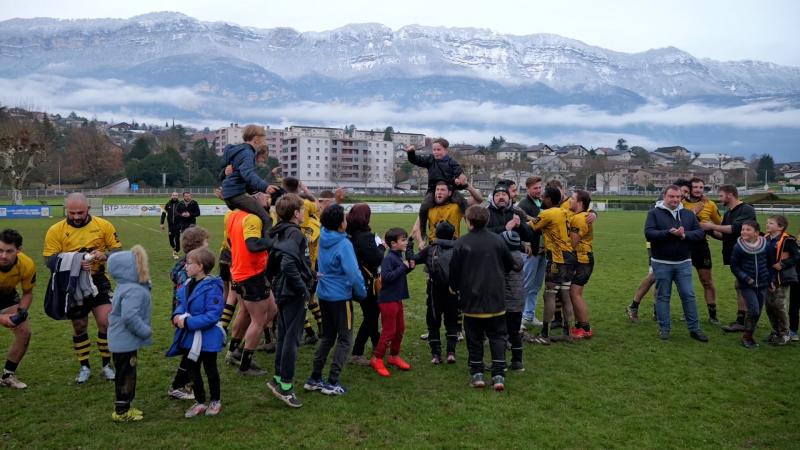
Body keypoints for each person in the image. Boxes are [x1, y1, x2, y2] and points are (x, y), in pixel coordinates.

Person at [43, 192, 122, 383]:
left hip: (98, 279)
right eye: (72, 213)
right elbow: (49, 260)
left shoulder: (103, 226)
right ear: (66, 211)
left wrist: (104, 256)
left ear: (88, 209)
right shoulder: (55, 230)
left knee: (106, 321)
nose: (76, 216)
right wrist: (75, 261)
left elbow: (118, 251)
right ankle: (84, 366)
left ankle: (106, 365)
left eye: (80, 212)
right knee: (79, 326)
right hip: (72, 283)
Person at [449, 205, 521, 391]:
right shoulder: (498, 241)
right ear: (487, 220)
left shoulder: (461, 242)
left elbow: (454, 271)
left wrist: (453, 287)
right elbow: (511, 264)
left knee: (474, 339)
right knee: (498, 337)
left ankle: (477, 374)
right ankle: (498, 376)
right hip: (495, 299)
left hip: (471, 300)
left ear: (467, 221)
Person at [304, 204, 366, 396]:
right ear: (341, 224)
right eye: (344, 219)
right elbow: (353, 273)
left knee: (328, 337)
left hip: (324, 294)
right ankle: (332, 381)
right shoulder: (343, 244)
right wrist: (362, 292)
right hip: (340, 297)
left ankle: (314, 378)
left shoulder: (323, 235)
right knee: (345, 339)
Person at [267, 194, 315, 408]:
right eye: (302, 210)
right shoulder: (295, 234)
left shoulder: (280, 230)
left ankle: (277, 378)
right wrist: (303, 288)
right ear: (296, 213)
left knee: (285, 335)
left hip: (282, 289)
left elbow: (281, 263)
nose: (304, 212)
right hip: (291, 292)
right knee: (292, 339)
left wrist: (309, 274)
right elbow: (287, 264)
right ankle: (285, 385)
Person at [645, 185, 709, 342]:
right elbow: (649, 233)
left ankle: (694, 329)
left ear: (681, 197)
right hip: (661, 262)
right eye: (671, 196)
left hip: (684, 262)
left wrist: (684, 235)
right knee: (663, 297)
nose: (674, 199)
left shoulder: (687, 214)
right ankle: (664, 329)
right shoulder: (654, 213)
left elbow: (699, 233)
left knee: (688, 295)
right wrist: (668, 232)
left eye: (677, 197)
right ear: (665, 197)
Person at [167, 248, 225, 417]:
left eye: (189, 263)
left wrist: (188, 322)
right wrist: (177, 315)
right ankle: (200, 401)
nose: (185, 266)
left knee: (210, 369)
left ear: (200, 266)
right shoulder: (187, 284)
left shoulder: (212, 287)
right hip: (189, 338)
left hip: (207, 338)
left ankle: (215, 400)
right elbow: (181, 303)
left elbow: (213, 315)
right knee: (192, 369)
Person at [225, 192, 277, 376]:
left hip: (241, 270)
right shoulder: (253, 218)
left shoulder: (232, 215)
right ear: (254, 199)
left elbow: (231, 241)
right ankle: (245, 364)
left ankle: (235, 351)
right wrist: (276, 242)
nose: (267, 199)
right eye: (264, 196)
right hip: (251, 274)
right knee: (259, 319)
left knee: (267, 311)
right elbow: (253, 245)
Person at [700, 184, 757, 332]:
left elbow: (734, 229)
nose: (719, 198)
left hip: (747, 255)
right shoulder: (728, 213)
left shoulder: (746, 209)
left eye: (720, 195)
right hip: (734, 256)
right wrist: (706, 230)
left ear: (730, 194)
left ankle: (746, 320)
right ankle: (742, 319)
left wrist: (710, 225)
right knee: (740, 286)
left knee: (744, 286)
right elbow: (723, 235)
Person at [107, 245, 152, 422]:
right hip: (124, 343)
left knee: (125, 373)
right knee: (126, 376)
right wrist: (145, 331)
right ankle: (122, 411)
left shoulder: (126, 286)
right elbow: (129, 317)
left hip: (122, 342)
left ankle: (125, 406)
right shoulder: (132, 290)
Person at [528, 186, 576, 343]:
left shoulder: (547, 213)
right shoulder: (564, 211)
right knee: (565, 294)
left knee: (549, 293)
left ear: (549, 199)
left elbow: (533, 226)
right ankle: (568, 332)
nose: (541, 198)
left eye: (543, 196)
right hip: (569, 256)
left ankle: (545, 335)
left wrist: (519, 216)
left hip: (557, 258)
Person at [412, 221, 460, 365]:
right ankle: (451, 352)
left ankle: (436, 355)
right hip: (453, 290)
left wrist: (409, 244)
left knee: (433, 322)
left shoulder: (430, 250)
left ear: (436, 234)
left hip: (435, 290)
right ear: (453, 235)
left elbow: (413, 259)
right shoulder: (459, 249)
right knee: (452, 321)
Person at [370, 228, 414, 377]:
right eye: (403, 240)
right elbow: (387, 277)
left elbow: (398, 274)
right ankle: (377, 358)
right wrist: (403, 266)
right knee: (389, 331)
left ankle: (394, 356)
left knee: (400, 329)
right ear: (393, 244)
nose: (406, 242)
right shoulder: (389, 258)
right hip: (388, 300)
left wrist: (408, 268)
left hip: (396, 298)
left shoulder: (397, 255)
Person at [347, 204, 386, 366]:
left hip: (356, 279)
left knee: (370, 314)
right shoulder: (365, 236)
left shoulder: (349, 234)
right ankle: (357, 352)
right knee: (371, 315)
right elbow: (376, 258)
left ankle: (377, 345)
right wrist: (382, 246)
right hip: (367, 281)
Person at [406, 138, 468, 234]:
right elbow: (415, 160)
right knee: (424, 207)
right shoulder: (430, 160)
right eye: (434, 150)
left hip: (449, 190)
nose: (435, 152)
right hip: (433, 190)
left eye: (438, 149)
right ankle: (422, 232)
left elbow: (459, 172)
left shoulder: (452, 162)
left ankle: (470, 226)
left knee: (463, 203)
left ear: (446, 150)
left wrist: (459, 178)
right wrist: (411, 152)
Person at [221, 124, 273, 237]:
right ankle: (268, 248)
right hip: (236, 194)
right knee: (267, 219)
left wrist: (256, 192)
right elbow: (247, 174)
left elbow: (234, 173)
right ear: (256, 139)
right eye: (263, 139)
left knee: (248, 217)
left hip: (230, 194)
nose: (264, 142)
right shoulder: (248, 153)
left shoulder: (239, 151)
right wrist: (265, 187)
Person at [682, 178, 722, 325]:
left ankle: (713, 315)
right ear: (690, 189)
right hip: (683, 245)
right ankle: (687, 313)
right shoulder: (681, 203)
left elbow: (721, 224)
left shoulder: (710, 204)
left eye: (701, 187)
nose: (698, 190)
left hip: (701, 246)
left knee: (706, 281)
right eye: (695, 187)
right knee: (684, 282)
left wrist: (712, 227)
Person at [730, 221, 772, 348]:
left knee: (757, 311)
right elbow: (734, 266)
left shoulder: (766, 245)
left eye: (748, 229)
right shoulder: (738, 247)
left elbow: (769, 263)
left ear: (756, 233)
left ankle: (750, 334)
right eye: (743, 229)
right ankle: (746, 336)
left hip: (763, 284)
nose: (744, 232)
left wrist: (770, 280)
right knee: (753, 309)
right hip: (747, 285)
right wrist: (746, 278)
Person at [0, 229, 34, 389]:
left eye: (9, 251)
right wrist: (3, 319)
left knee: (24, 331)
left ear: (19, 250)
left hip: (6, 296)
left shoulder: (26, 264)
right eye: (0, 250)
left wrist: (22, 311)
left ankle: (7, 375)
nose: (3, 256)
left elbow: (27, 293)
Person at [411, 180, 483, 245]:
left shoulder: (457, 206)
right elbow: (416, 229)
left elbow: (478, 200)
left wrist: (466, 185)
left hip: (453, 244)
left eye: (442, 190)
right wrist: (421, 242)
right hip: (434, 245)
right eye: (437, 190)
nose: (439, 192)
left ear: (449, 193)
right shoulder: (428, 207)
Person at [764, 215, 799, 345]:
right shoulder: (765, 238)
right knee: (769, 306)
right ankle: (776, 331)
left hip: (782, 278)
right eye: (767, 223)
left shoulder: (788, 240)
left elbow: (797, 256)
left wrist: (783, 263)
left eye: (771, 223)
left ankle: (785, 333)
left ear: (780, 227)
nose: (767, 225)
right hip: (767, 277)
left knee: (779, 305)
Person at [517, 176, 546, 329]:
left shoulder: (543, 202)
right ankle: (519, 318)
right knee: (526, 285)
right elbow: (524, 228)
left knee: (536, 286)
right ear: (527, 188)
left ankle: (529, 315)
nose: (538, 190)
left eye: (540, 187)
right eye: (535, 188)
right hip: (531, 251)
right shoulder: (524, 204)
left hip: (543, 251)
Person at [568, 189, 594, 339]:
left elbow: (573, 242)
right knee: (575, 294)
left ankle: (586, 328)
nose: (570, 201)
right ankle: (578, 326)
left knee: (575, 294)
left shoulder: (579, 219)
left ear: (580, 203)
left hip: (582, 260)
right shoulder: (580, 216)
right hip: (583, 259)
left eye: (572, 199)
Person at [500, 230, 525, 371]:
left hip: (506, 302)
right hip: (519, 301)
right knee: (514, 332)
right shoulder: (520, 256)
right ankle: (517, 362)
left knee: (501, 332)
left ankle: (501, 362)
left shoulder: (505, 260)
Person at [161, 192, 183, 259]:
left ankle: (176, 252)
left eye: (176, 195)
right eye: (173, 195)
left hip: (178, 225)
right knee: (171, 240)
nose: (174, 196)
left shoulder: (181, 204)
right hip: (170, 225)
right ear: (171, 196)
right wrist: (161, 223)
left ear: (178, 196)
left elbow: (183, 214)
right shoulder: (168, 204)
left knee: (177, 238)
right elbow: (163, 214)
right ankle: (174, 248)